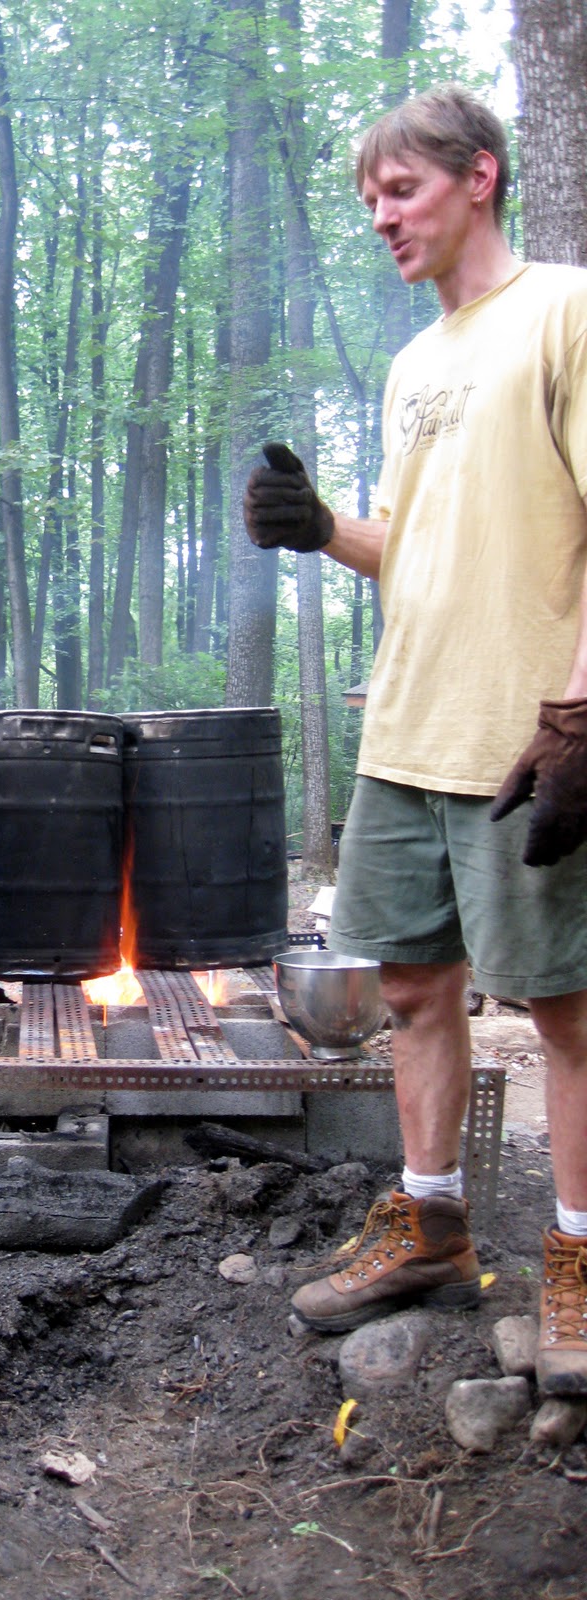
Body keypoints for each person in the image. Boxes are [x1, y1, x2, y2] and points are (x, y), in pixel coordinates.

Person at [244, 85, 587, 1397]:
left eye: (402, 190)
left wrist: (579, 714)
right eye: (368, 200)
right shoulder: (413, 363)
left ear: (480, 176)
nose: (381, 217)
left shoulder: (563, 310)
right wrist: (319, 526)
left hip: (525, 738)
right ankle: (432, 1224)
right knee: (409, 992)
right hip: (407, 723)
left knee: (560, 1008)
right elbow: (409, 546)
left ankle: (575, 1258)